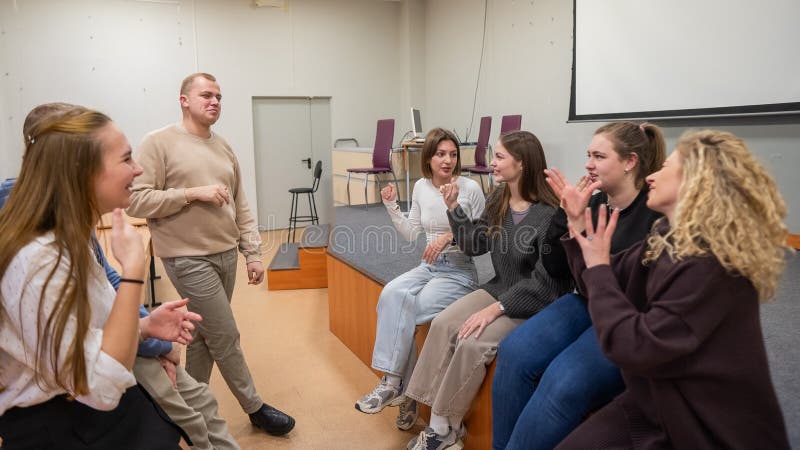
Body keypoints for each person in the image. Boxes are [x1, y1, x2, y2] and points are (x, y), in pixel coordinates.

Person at [2, 103, 239, 450]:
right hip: (66, 426)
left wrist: (145, 328)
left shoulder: (68, 236)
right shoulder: (37, 261)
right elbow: (98, 384)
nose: (138, 168)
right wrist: (133, 274)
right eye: (126, 159)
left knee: (197, 405)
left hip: (99, 414)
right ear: (83, 174)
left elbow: (90, 333)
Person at [556, 130, 791, 449]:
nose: (652, 175)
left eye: (665, 168)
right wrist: (578, 227)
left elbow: (634, 346)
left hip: (704, 423)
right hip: (656, 397)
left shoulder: (710, 264)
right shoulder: (666, 235)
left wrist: (598, 266)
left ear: (695, 181)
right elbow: (597, 282)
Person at [127, 72, 294, 436]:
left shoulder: (223, 146)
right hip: (186, 257)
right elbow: (135, 201)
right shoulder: (158, 143)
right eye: (206, 95)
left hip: (225, 255)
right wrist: (191, 193)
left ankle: (187, 410)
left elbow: (241, 203)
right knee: (226, 334)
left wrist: (251, 252)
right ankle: (255, 407)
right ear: (184, 100)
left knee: (202, 337)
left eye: (219, 95)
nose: (215, 101)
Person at [491, 121, 666, 450]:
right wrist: (565, 217)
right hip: (586, 301)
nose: (588, 164)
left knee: (562, 380)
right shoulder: (595, 203)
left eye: (599, 156)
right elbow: (558, 269)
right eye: (588, 155)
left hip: (626, 315)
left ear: (630, 162)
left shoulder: (654, 212)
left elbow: (640, 292)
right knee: (513, 351)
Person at [403, 130, 574, 450]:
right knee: (443, 324)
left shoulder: (549, 214)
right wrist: (454, 208)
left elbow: (547, 285)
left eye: (499, 157)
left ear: (521, 164)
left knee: (470, 342)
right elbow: (475, 245)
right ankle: (422, 403)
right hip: (497, 288)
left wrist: (497, 308)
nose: (490, 163)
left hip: (531, 302)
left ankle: (443, 425)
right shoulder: (500, 197)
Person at [354, 128, 485, 430]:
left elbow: (480, 237)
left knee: (409, 311)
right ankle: (395, 385)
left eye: (453, 154)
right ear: (429, 157)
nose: (448, 160)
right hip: (428, 266)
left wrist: (448, 237)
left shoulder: (470, 188)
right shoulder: (422, 187)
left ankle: (398, 388)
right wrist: (390, 207)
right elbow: (413, 233)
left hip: (459, 269)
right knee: (391, 294)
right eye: (441, 154)